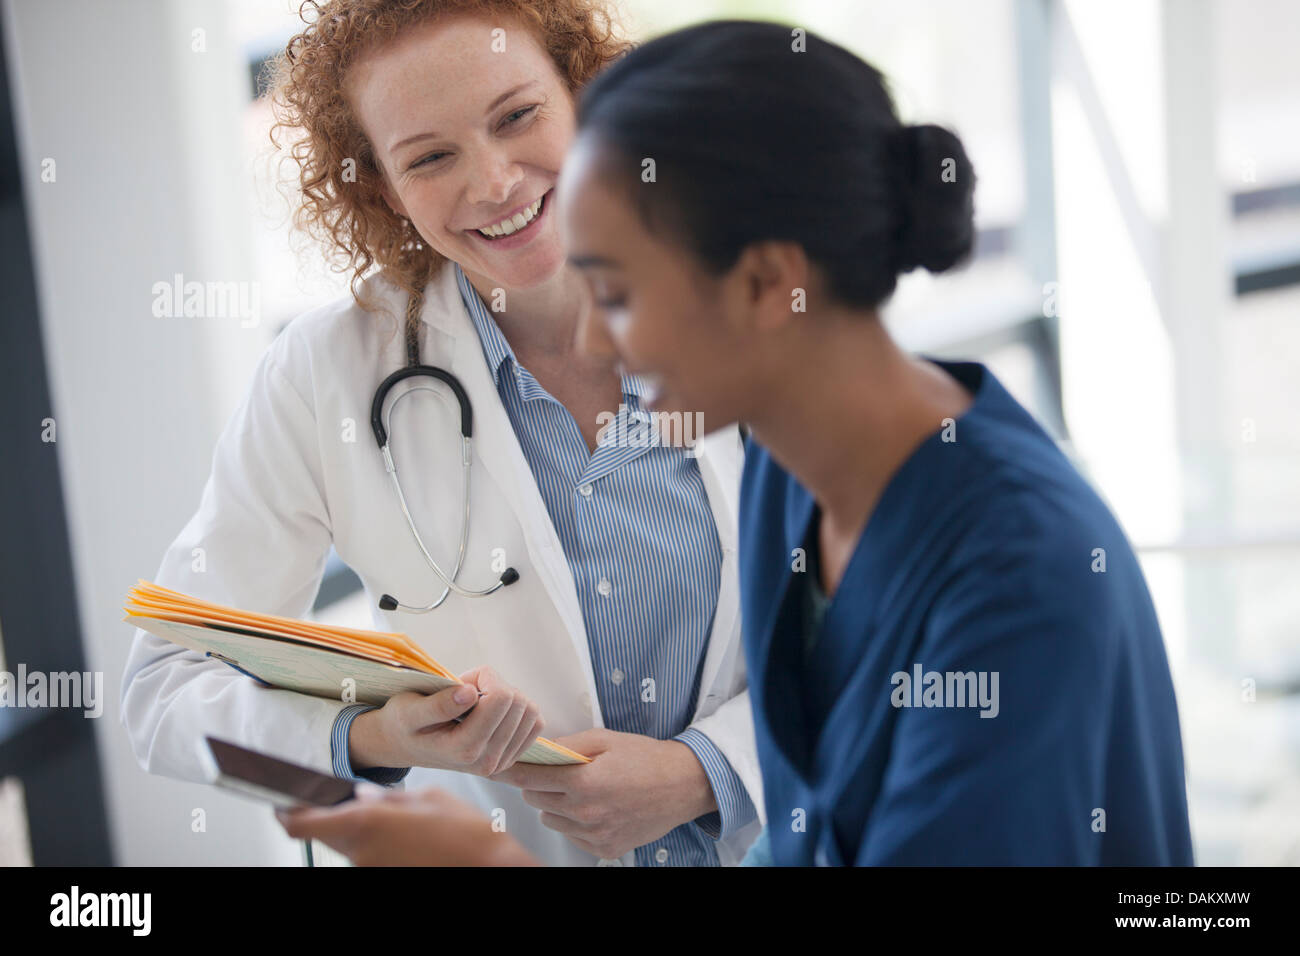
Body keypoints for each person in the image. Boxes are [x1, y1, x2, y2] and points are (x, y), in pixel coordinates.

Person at [281, 18, 1195, 866]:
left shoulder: (1017, 573)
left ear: (766, 283)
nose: (596, 343)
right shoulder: (793, 488)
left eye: (620, 292)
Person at [121, 0, 764, 868]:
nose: (494, 182)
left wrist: (707, 771)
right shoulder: (324, 375)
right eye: (429, 157)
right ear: (382, 185)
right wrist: (376, 737)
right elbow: (163, 697)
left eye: (518, 115)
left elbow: (885, 624)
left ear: (585, 94)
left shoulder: (751, 294)